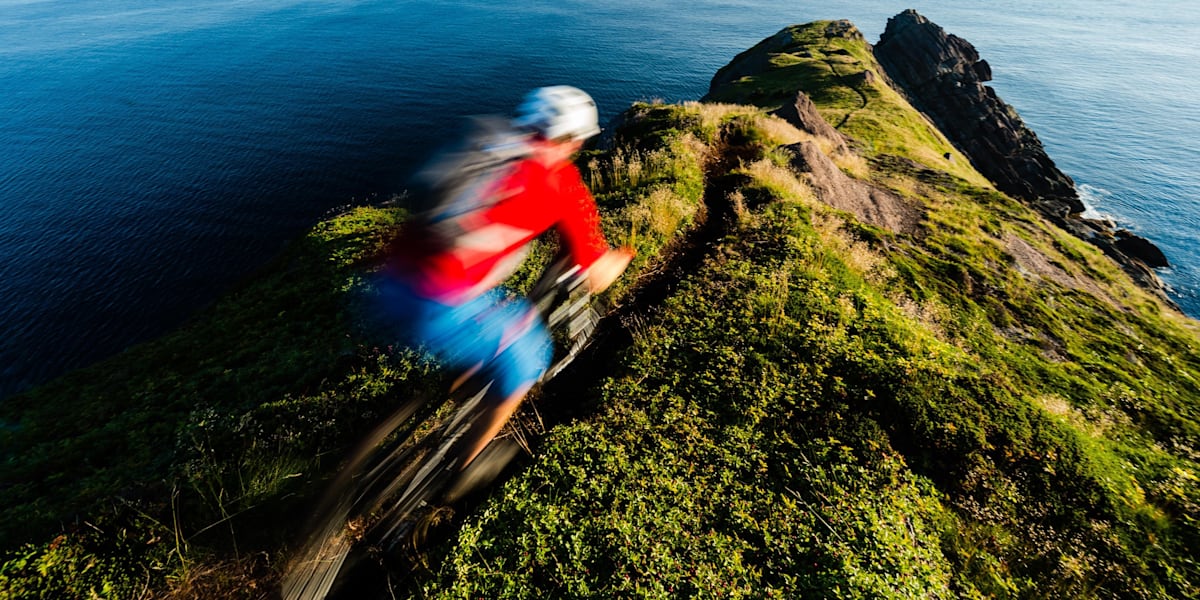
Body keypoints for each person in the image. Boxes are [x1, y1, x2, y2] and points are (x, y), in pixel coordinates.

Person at [377, 85, 634, 469]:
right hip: (441, 305)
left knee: (493, 313)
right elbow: (595, 276)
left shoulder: (488, 140)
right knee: (531, 359)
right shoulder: (560, 181)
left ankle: (461, 379)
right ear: (572, 140)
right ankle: (465, 465)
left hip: (388, 284)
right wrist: (621, 258)